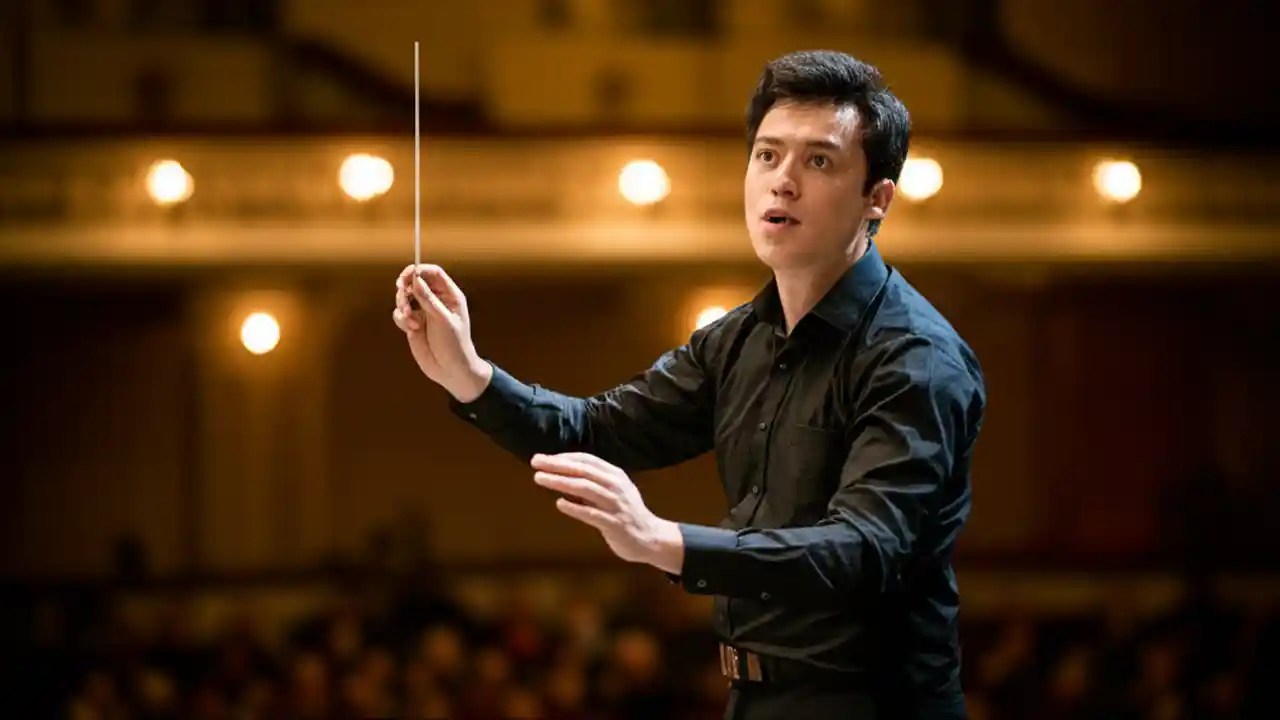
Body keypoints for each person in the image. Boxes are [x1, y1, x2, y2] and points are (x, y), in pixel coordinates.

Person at [392, 49, 986, 720]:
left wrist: (662, 540)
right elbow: (601, 431)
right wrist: (469, 375)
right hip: (753, 699)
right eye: (767, 156)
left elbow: (864, 549)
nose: (781, 183)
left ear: (877, 199)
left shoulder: (915, 357)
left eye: (818, 161)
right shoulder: (736, 340)